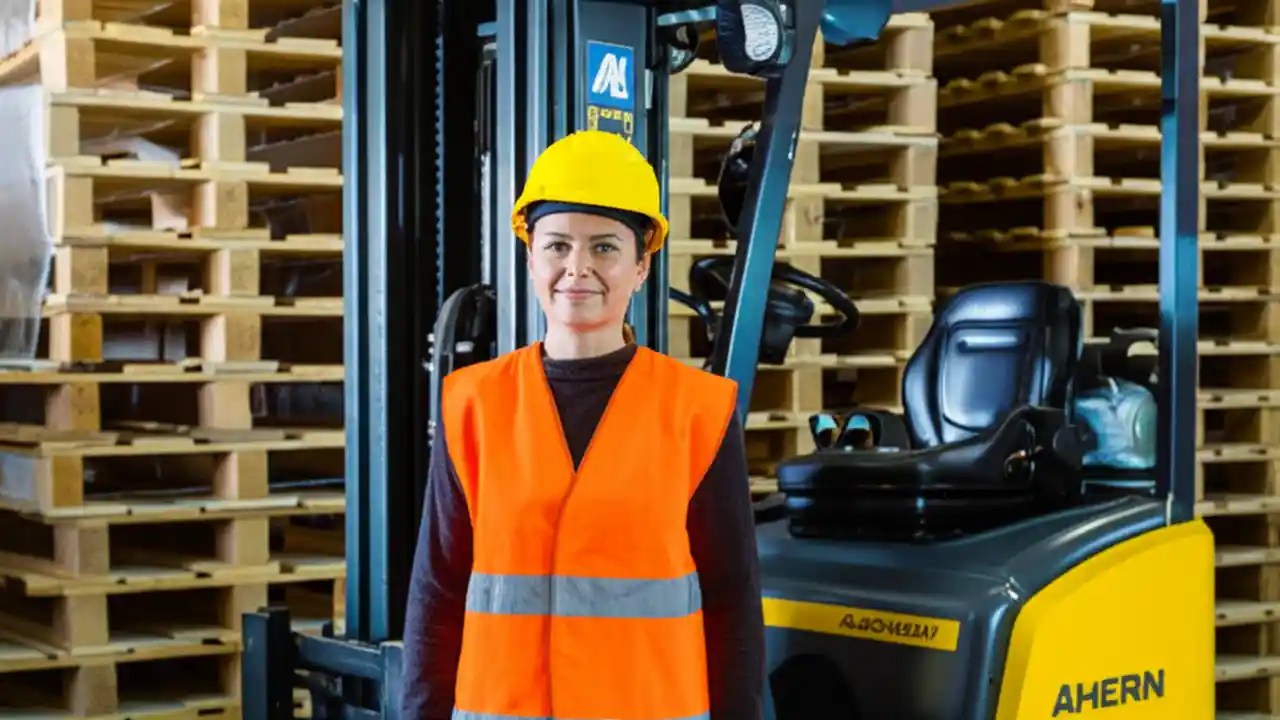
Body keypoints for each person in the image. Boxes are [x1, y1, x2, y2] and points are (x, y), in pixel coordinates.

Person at [401, 129, 765, 720]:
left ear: (642, 264)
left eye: (603, 248)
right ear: (530, 256)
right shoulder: (472, 403)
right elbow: (437, 591)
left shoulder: (699, 410)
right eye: (557, 246)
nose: (577, 268)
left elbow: (732, 601)